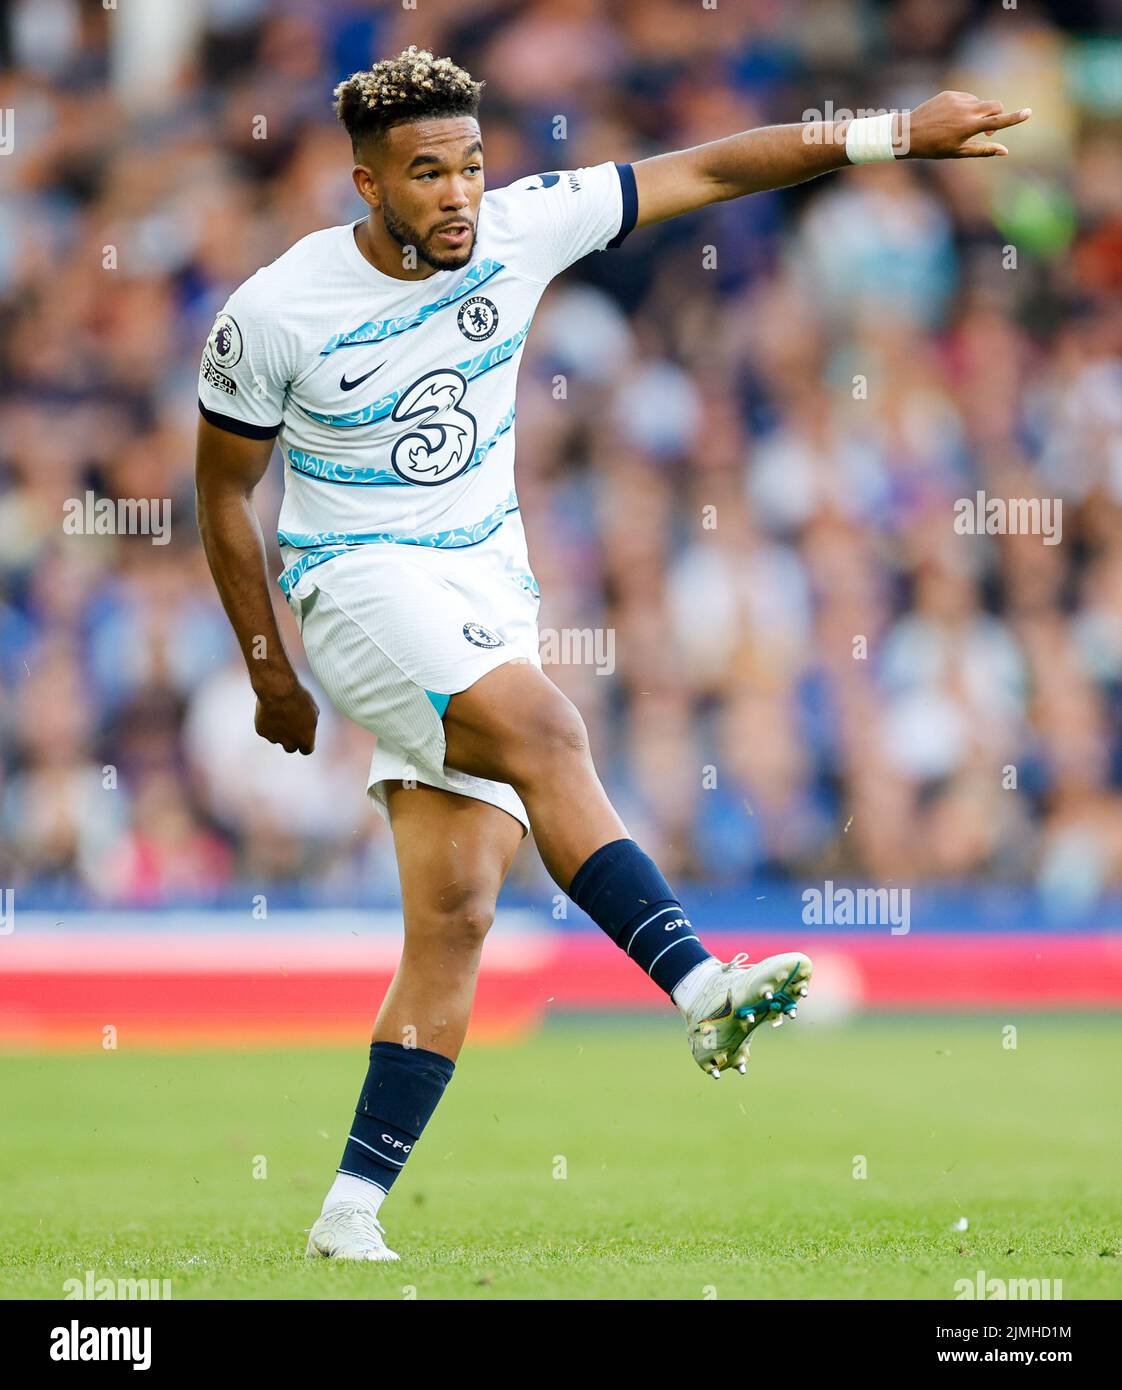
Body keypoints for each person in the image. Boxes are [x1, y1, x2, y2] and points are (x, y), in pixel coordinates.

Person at [194, 45, 1030, 1261]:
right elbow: (222, 491)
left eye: (473, 166)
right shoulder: (275, 311)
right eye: (427, 174)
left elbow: (705, 170)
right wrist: (270, 666)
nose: (459, 195)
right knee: (548, 732)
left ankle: (349, 1211)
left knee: (460, 909)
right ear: (367, 183)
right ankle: (701, 988)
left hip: (487, 585)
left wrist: (896, 133)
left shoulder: (522, 228)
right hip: (354, 584)